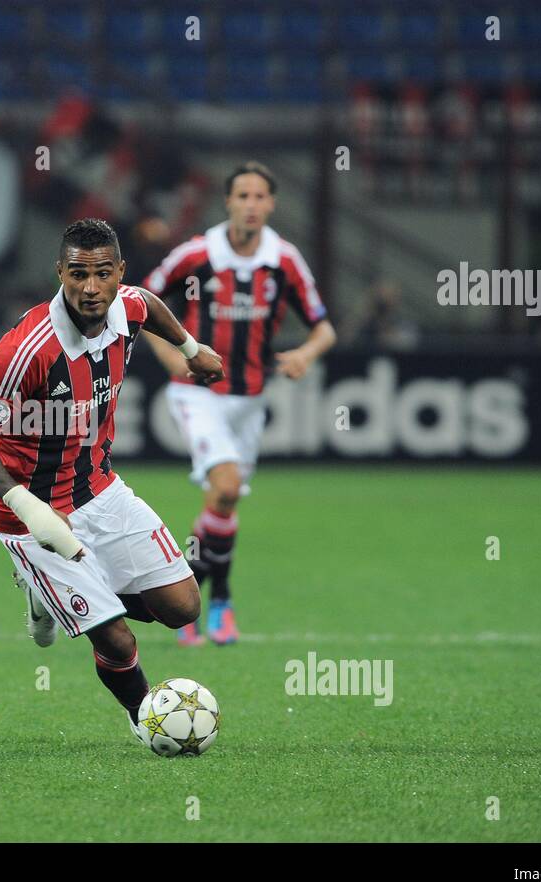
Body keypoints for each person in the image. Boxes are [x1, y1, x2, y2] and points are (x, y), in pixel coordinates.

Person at [0, 218, 225, 730]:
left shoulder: (128, 306)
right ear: (60, 272)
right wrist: (27, 507)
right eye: (78, 274)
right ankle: (148, 720)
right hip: (31, 514)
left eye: (104, 273)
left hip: (100, 488)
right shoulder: (26, 350)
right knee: (116, 637)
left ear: (119, 272)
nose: (91, 287)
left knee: (183, 606)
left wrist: (191, 350)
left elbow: (148, 304)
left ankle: (52, 598)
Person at [142, 162, 336, 645]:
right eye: (242, 196)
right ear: (227, 202)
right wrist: (172, 355)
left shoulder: (283, 260)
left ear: (271, 205)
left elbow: (324, 326)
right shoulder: (196, 255)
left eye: (260, 197)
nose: (251, 205)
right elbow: (140, 301)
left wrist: (305, 355)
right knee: (226, 488)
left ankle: (195, 603)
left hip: (251, 398)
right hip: (199, 393)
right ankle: (217, 602)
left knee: (220, 504)